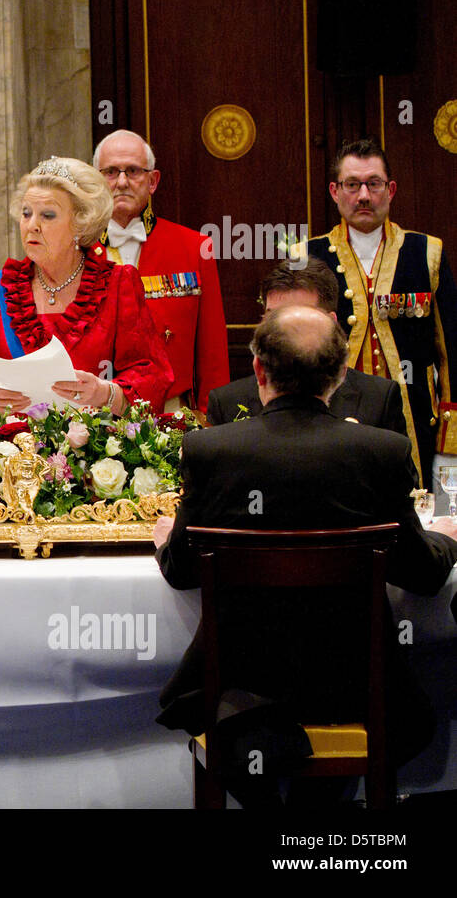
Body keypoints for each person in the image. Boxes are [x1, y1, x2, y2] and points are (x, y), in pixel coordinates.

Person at [154, 305, 457, 805]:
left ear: (258, 371)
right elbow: (422, 576)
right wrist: (444, 534)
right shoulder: (380, 451)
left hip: (237, 695)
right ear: (340, 376)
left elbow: (182, 572)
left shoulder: (210, 450)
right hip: (356, 691)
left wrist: (165, 538)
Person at [0, 156, 173, 418]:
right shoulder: (0, 286)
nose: (32, 225)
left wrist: (105, 393)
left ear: (81, 223)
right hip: (12, 453)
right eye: (26, 213)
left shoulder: (116, 285)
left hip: (94, 450)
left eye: (48, 215)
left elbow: (150, 374)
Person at [294, 137, 457, 489]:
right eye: (352, 185)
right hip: (330, 417)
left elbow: (450, 353)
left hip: (414, 420)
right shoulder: (306, 256)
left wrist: (450, 437)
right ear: (335, 191)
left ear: (391, 189)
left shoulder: (426, 252)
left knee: (424, 519)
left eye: (374, 184)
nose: (363, 196)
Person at [94, 129, 229, 412]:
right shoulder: (76, 248)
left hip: (170, 416)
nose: (121, 182)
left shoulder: (194, 247)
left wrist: (213, 420)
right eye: (110, 172)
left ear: (153, 181)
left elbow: (212, 351)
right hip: (92, 418)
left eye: (133, 171)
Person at [207, 260, 407, 438]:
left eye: (295, 317)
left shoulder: (378, 398)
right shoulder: (227, 401)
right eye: (271, 317)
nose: (279, 330)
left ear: (331, 323)